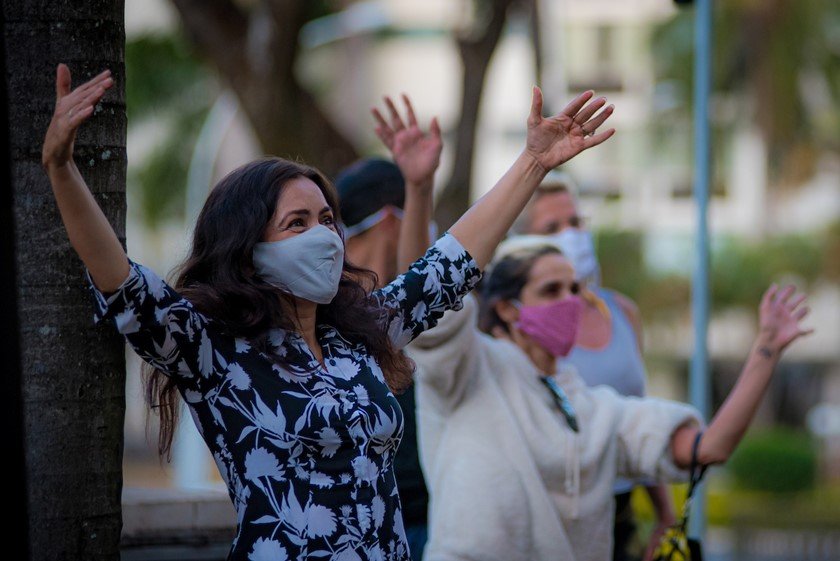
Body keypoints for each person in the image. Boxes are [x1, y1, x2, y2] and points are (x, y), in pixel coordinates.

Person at [42, 62, 614, 560]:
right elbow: (121, 281)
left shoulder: (360, 333)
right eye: (296, 223)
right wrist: (62, 170)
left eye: (326, 220)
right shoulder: (213, 348)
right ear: (248, 249)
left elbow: (451, 261)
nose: (322, 236)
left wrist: (532, 163)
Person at [405, 239, 811, 561]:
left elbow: (709, 447)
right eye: (551, 290)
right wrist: (420, 189)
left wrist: (766, 349)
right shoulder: (469, 369)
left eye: (574, 288)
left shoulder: (595, 407)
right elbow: (425, 298)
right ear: (508, 309)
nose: (570, 300)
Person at [522, 176, 676, 560]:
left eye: (576, 222)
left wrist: (665, 514)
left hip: (621, 514)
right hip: (557, 518)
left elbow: (638, 414)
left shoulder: (622, 312)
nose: (571, 235)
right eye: (552, 228)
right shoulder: (523, 326)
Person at [334, 97, 443, 560]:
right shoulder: (322, 313)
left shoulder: (421, 312)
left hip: (426, 520)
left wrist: (419, 189)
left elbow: (422, 283)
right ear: (389, 221)